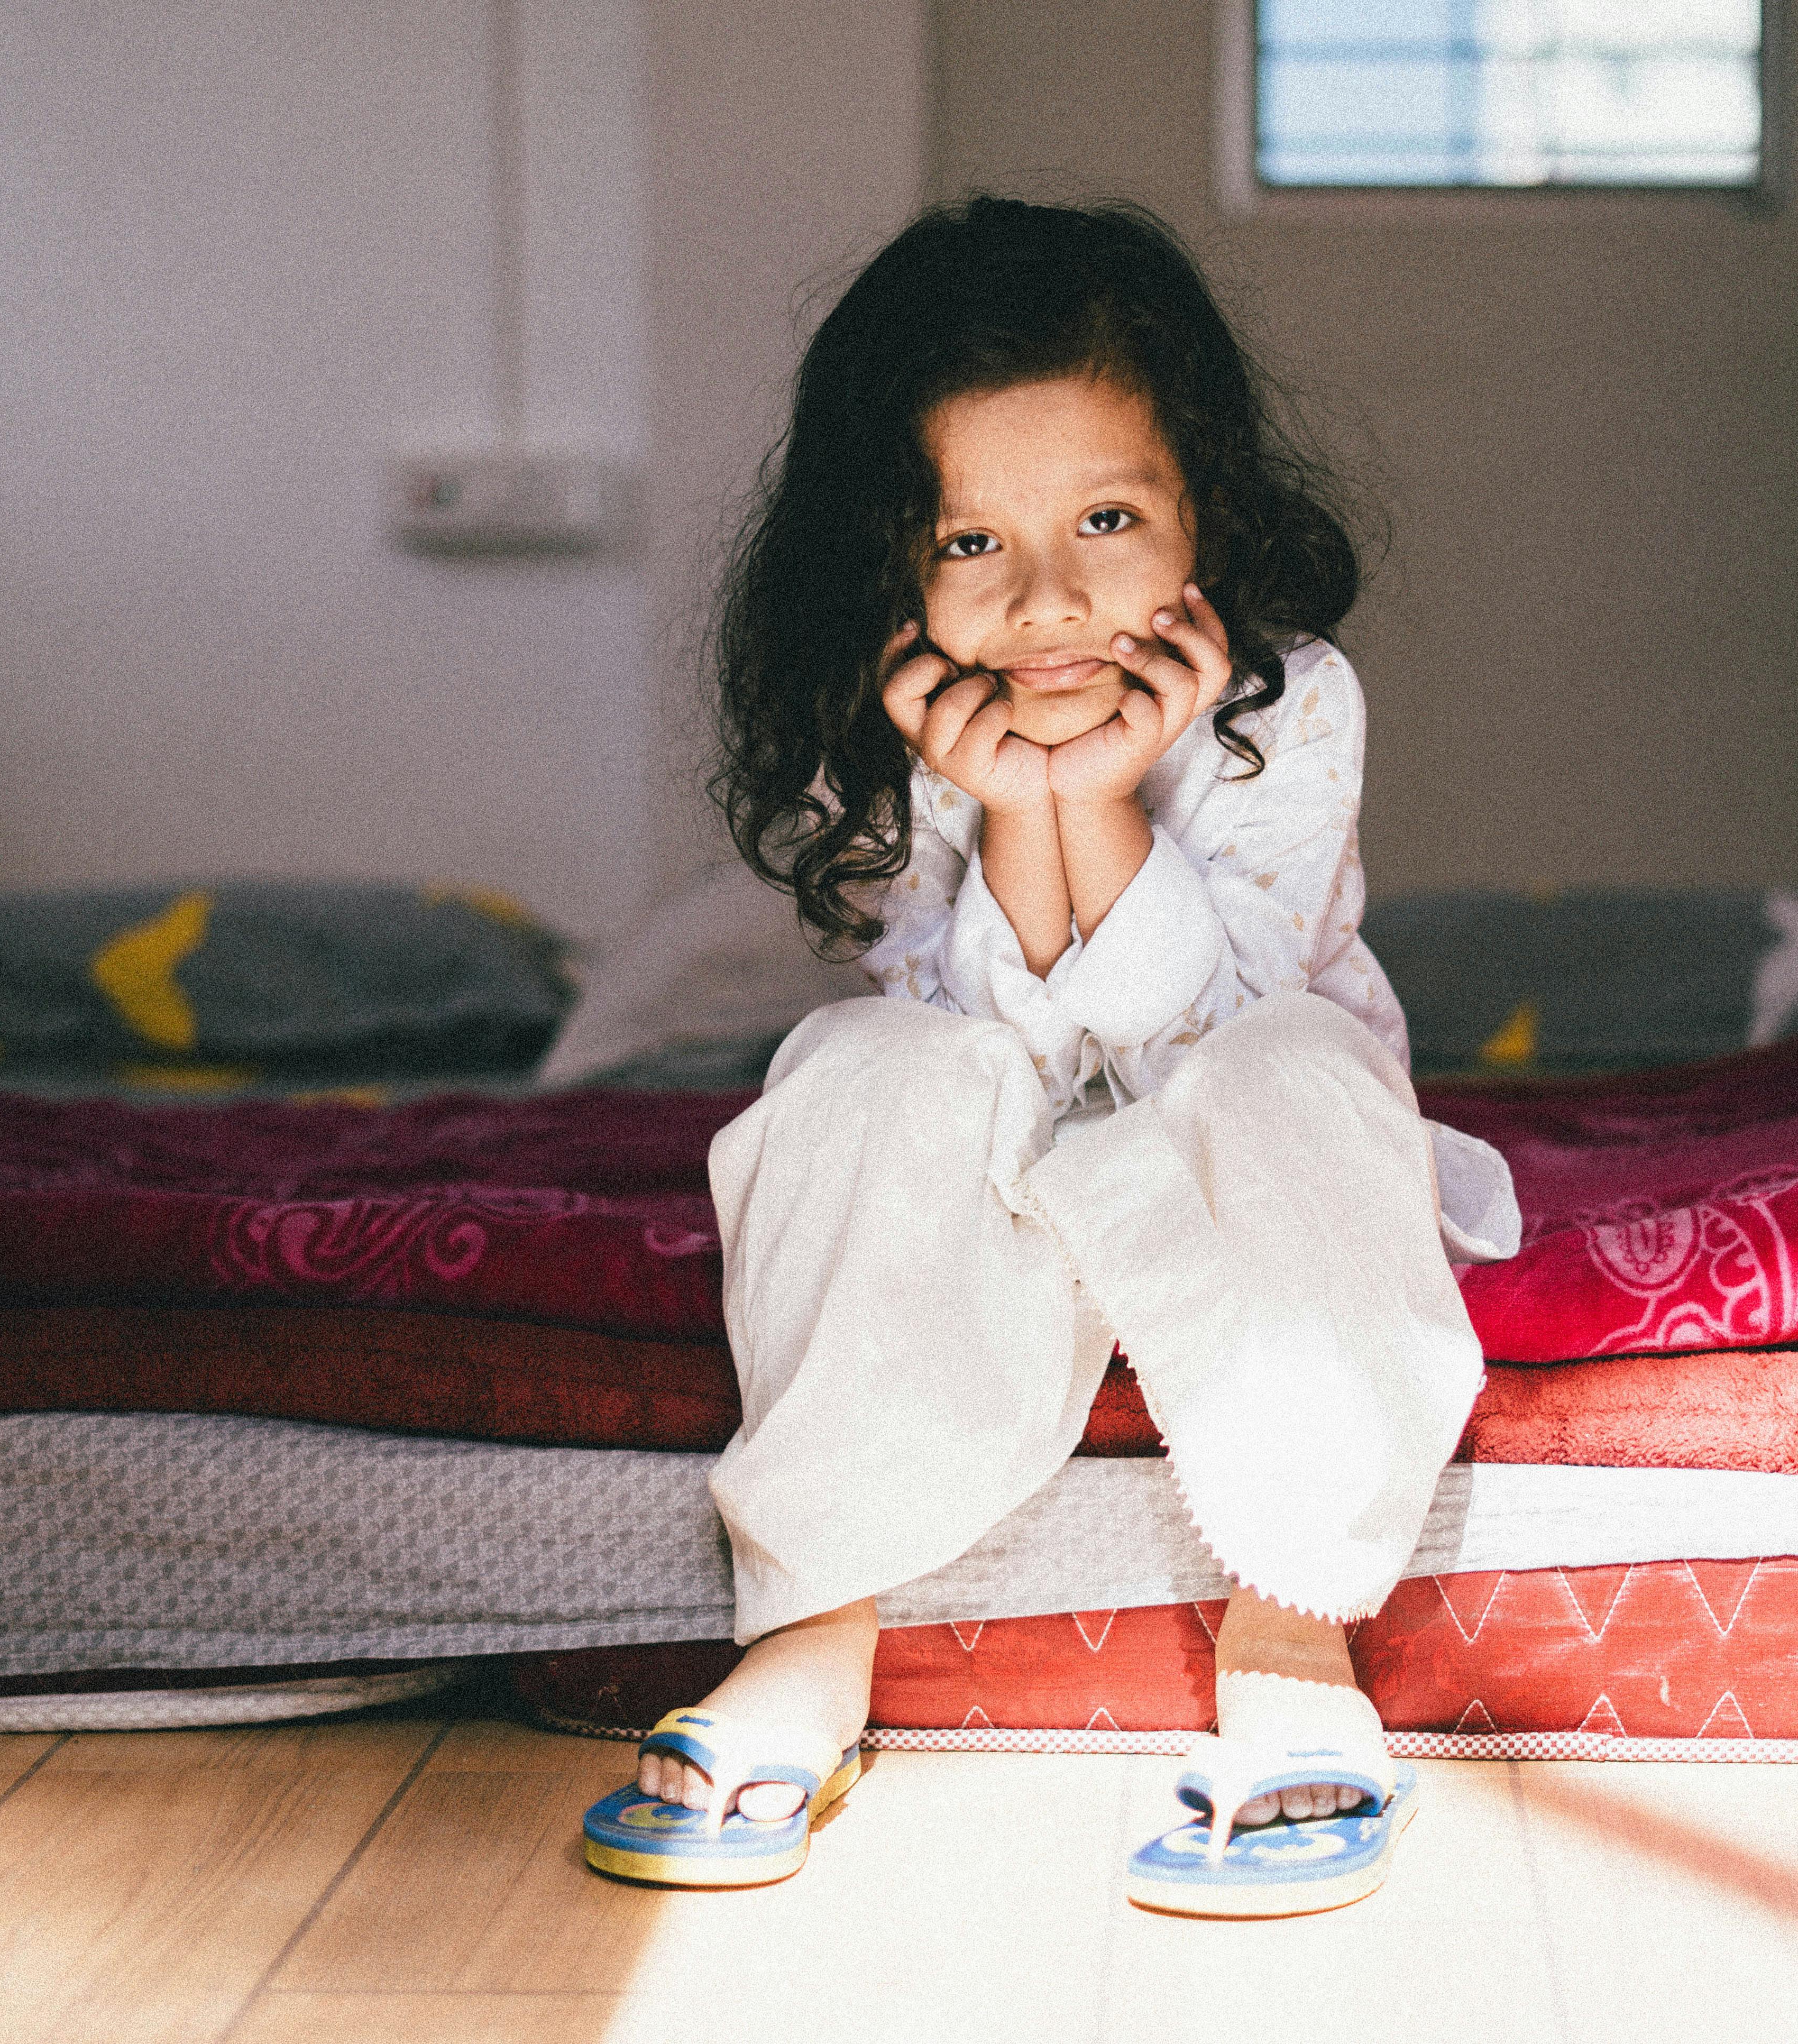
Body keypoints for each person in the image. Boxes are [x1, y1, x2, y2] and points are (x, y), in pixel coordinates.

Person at [578, 195, 1518, 1917]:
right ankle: (810, 1629)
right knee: (855, 1064)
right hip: (999, 1171)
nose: (1050, 601)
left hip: (1239, 1148)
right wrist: (1021, 802)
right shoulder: (901, 727)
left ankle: (1293, 1630)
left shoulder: (1297, 703)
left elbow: (1203, 1027)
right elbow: (977, 1060)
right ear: (892, 563)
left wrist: (1097, 799)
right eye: (971, 542)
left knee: (1295, 1063)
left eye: (1106, 519)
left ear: (1203, 511)